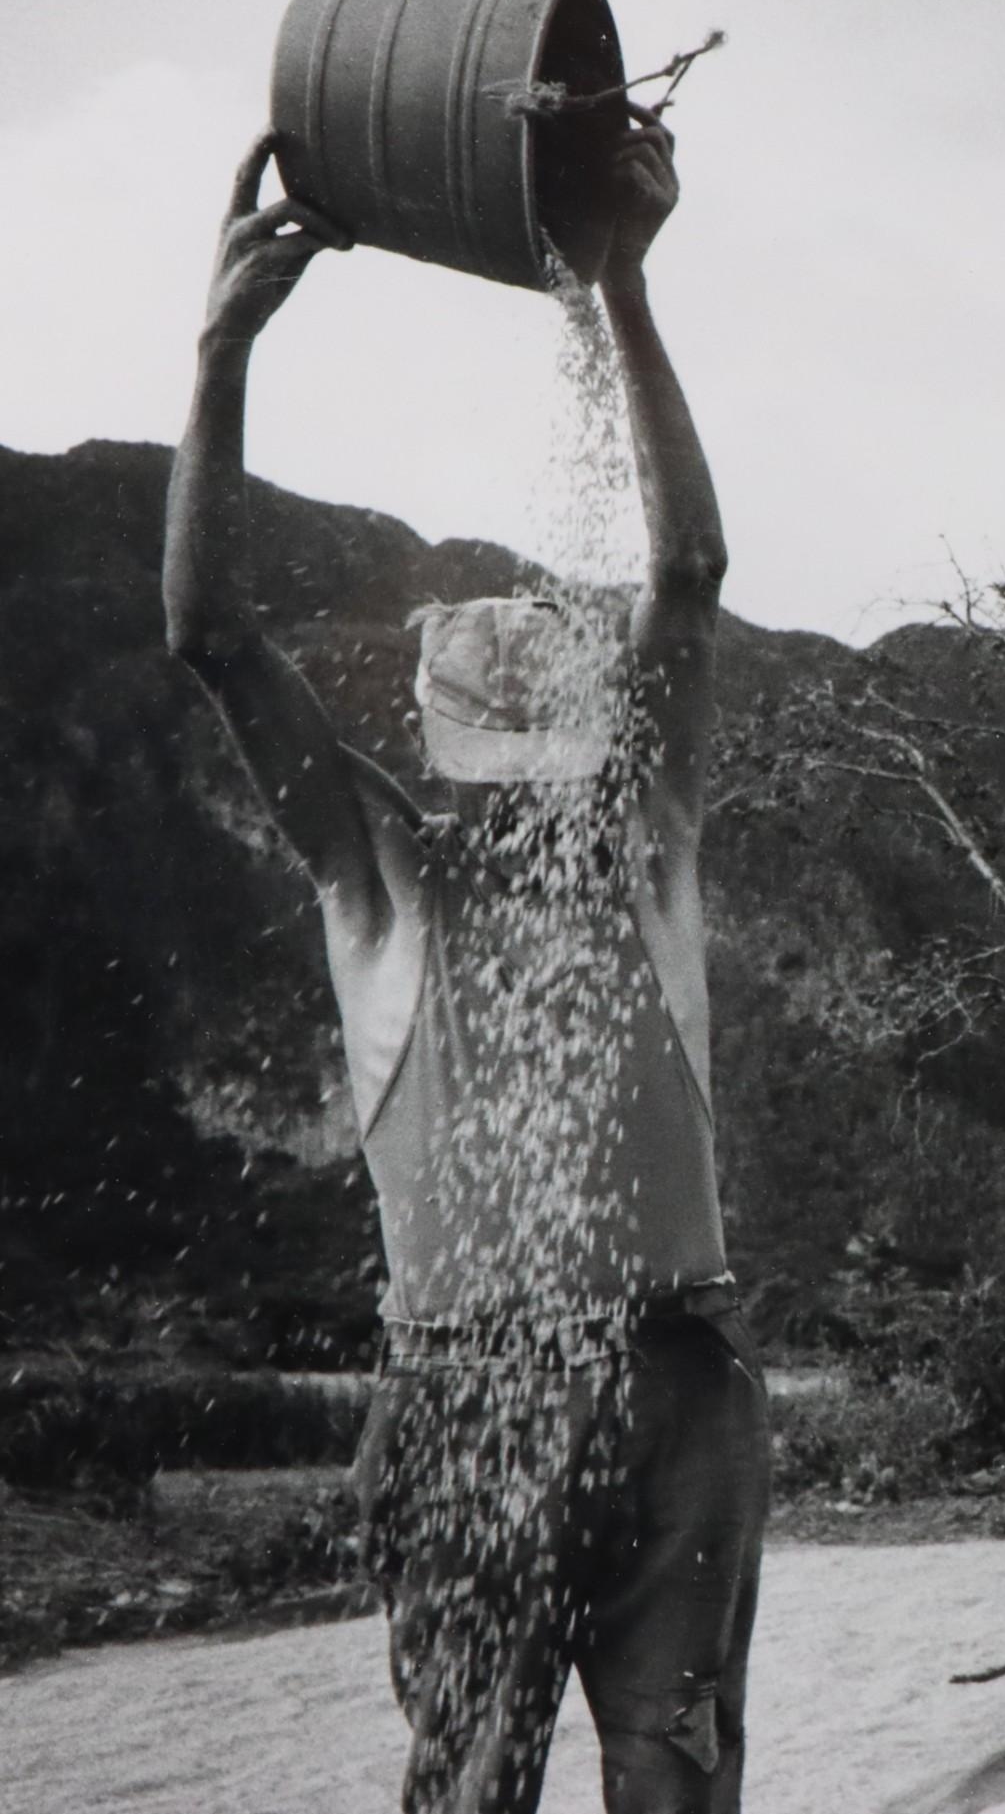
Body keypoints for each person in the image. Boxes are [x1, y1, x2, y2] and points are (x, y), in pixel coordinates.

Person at [163, 116, 770, 1814]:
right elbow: (211, 637)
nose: (528, 811)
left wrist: (621, 294)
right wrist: (219, 354)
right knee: (475, 1780)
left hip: (675, 1380)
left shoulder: (641, 835)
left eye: (552, 775)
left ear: (592, 747)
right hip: (460, 1386)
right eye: (499, 786)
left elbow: (691, 572)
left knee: (679, 1772)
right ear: (434, 769)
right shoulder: (382, 880)